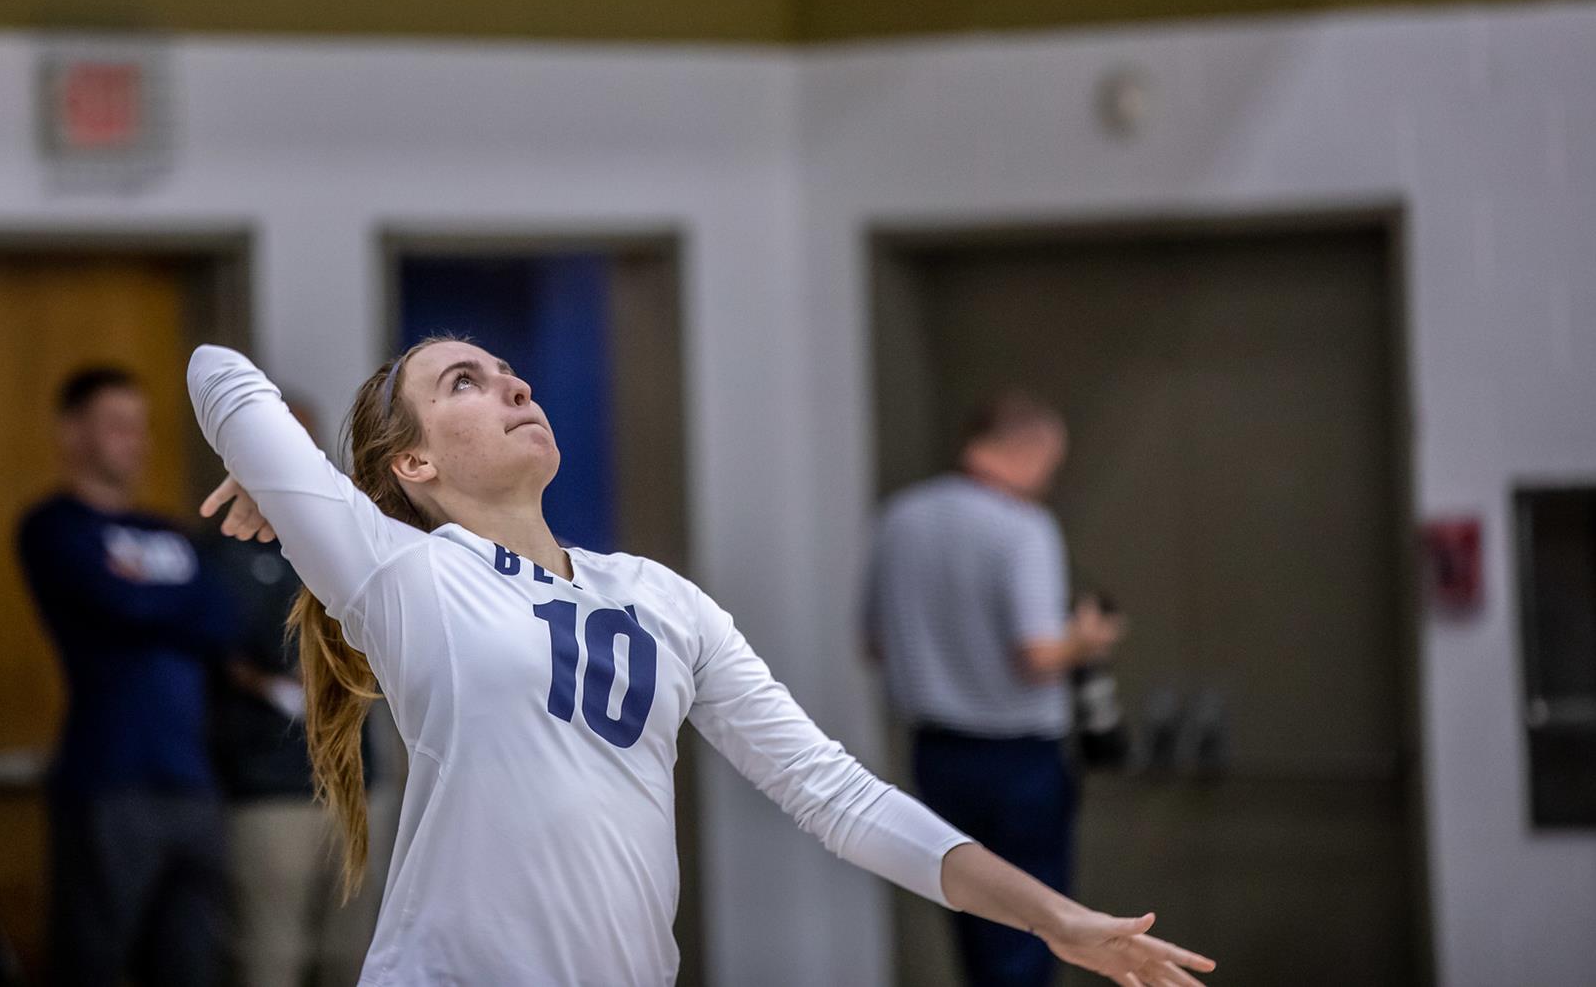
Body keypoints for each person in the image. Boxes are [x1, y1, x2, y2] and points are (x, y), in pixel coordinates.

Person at [190, 338, 1212, 987]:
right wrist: (276, 473)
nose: (511, 383)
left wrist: (1052, 915)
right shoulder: (406, 577)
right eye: (465, 381)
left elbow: (834, 794)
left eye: (509, 371)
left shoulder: (659, 598)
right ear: (413, 463)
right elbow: (213, 369)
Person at [865, 391, 1124, 987]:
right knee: (1034, 926)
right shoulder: (1024, 529)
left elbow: (873, 642)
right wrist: (1085, 640)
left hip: (935, 754)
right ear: (1027, 450)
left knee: (970, 912)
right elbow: (1036, 654)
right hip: (1018, 761)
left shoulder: (900, 517)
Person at [18, 366, 237, 987]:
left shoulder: (166, 531)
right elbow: (115, 604)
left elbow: (222, 619)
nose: (134, 441)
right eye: (116, 426)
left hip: (194, 781)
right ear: (72, 434)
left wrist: (144, 600)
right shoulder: (56, 527)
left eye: (139, 428)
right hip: (109, 780)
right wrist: (164, 604)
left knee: (193, 965)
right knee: (96, 960)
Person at [208, 392, 376, 987]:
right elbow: (225, 652)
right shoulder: (223, 550)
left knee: (357, 961)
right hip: (271, 789)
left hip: (359, 783)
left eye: (302, 446)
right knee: (272, 957)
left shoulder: (352, 540)